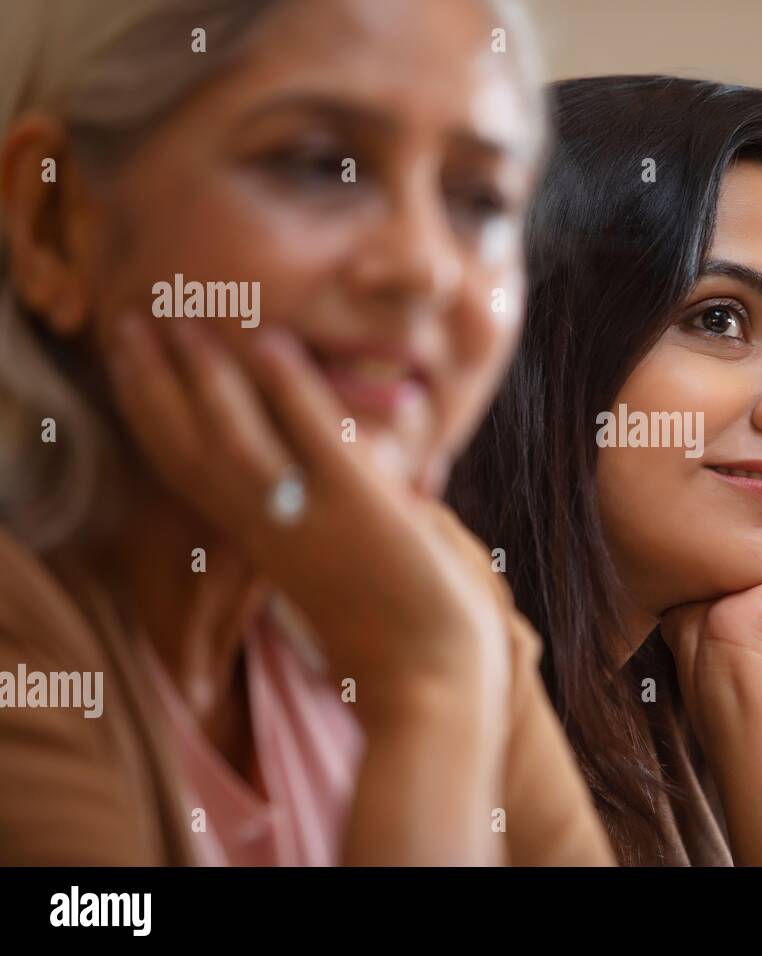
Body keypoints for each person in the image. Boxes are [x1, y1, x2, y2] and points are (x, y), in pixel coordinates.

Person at [0, 0, 612, 866]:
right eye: (321, 165)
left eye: (479, 200)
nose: (423, 268)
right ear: (54, 224)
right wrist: (427, 694)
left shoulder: (433, 588)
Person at [451, 75, 762, 866]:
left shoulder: (657, 744)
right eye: (719, 317)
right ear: (529, 344)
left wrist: (750, 671)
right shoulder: (389, 733)